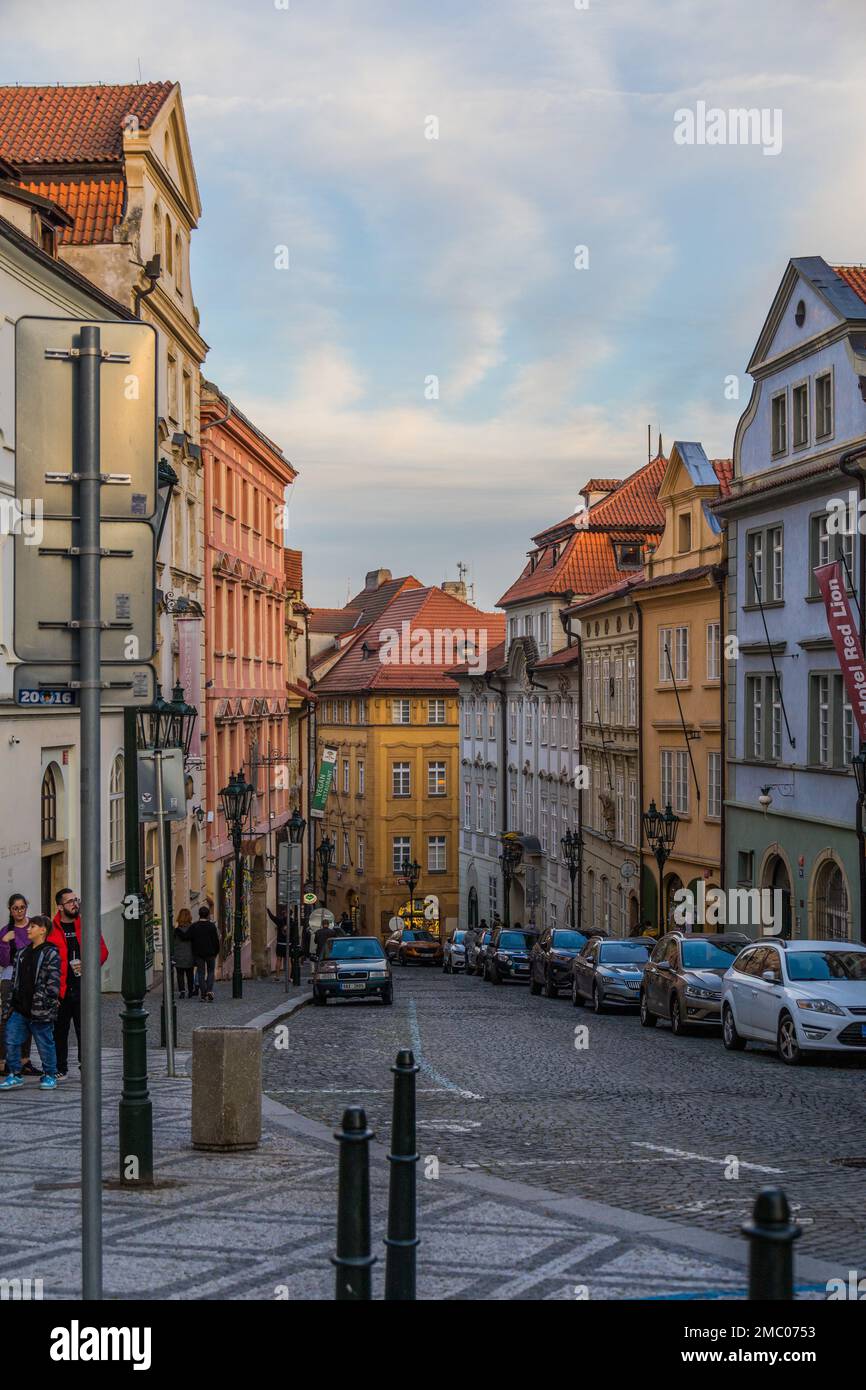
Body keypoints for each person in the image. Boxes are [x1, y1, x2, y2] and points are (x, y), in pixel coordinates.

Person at [50, 887, 109, 1080]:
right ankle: (61, 1067)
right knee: (60, 1031)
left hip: (84, 987)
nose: (75, 904)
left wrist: (89, 965)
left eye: (76, 900)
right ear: (60, 907)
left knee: (85, 1030)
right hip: (61, 989)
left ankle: (87, 1065)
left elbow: (102, 950)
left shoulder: (87, 925)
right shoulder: (51, 929)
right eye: (70, 902)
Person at [0, 915, 61, 1091]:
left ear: (43, 930)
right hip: (19, 1008)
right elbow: (14, 980)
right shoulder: (21, 953)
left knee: (44, 1043)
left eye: (32, 926)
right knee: (11, 1039)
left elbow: (53, 981)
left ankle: (50, 1075)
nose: (28, 929)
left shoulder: (50, 953)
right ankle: (15, 1074)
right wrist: (9, 1005)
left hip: (40, 1009)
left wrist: (47, 1001)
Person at [0, 894, 38, 1076]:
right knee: (6, 1019)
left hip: (29, 979)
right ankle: (3, 1061)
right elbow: (4, 961)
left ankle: (25, 1060)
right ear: (10, 910)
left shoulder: (34, 927)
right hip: (9, 978)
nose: (19, 911)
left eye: (22, 907)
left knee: (27, 1017)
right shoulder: (6, 930)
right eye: (15, 908)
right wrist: (5, 942)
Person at [191, 905, 220, 1002]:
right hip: (210, 952)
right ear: (208, 915)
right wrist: (216, 951)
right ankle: (209, 990)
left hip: (199, 953)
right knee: (211, 972)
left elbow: (191, 939)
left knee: (201, 973)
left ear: (199, 915)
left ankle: (203, 994)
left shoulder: (195, 926)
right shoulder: (211, 926)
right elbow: (215, 941)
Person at [173, 908, 196, 998]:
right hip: (190, 954)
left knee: (180, 974)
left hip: (178, 955)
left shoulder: (176, 931)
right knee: (190, 974)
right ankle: (190, 991)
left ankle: (182, 991)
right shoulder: (193, 929)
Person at [268, 905, 288, 977]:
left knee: (279, 959)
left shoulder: (280, 921)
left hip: (280, 943)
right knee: (288, 960)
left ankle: (277, 976)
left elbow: (272, 917)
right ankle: (289, 977)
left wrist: (268, 910)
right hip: (288, 944)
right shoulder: (292, 921)